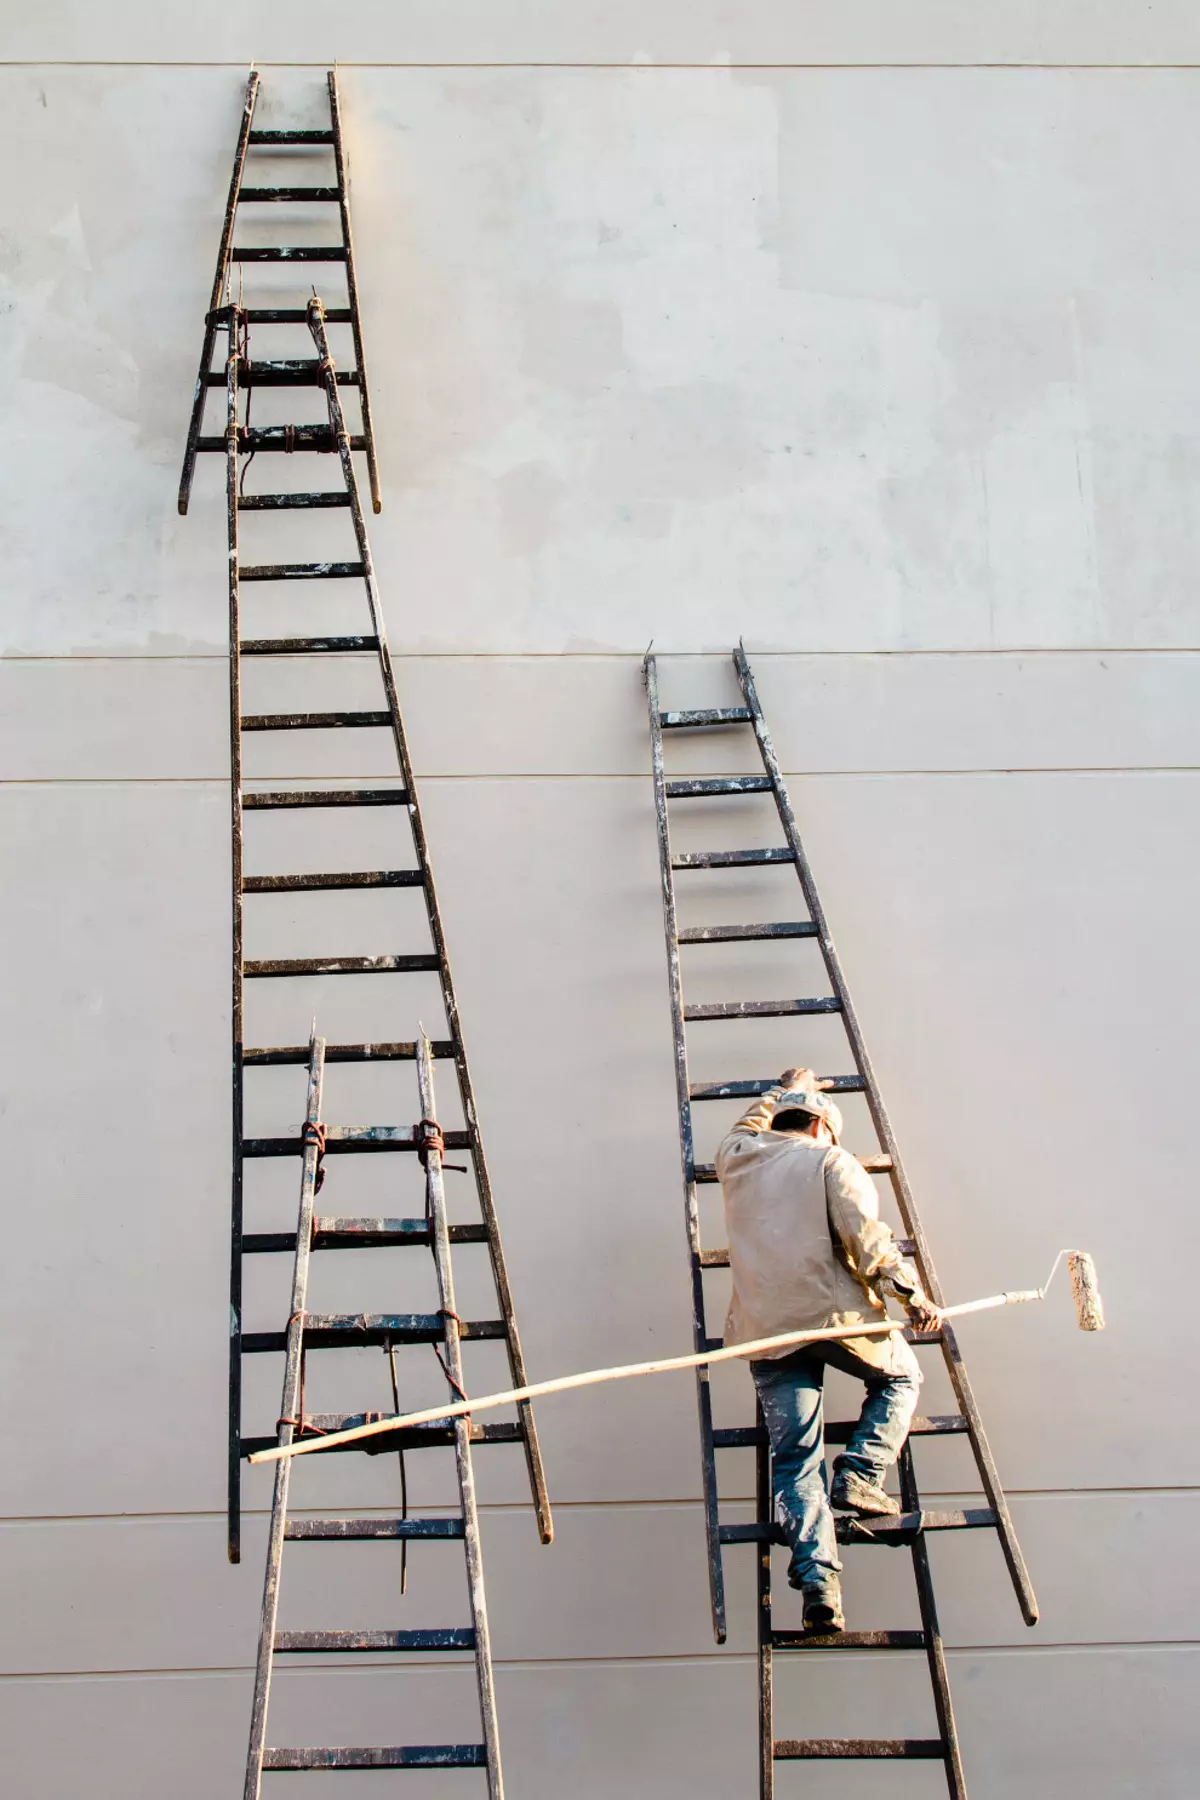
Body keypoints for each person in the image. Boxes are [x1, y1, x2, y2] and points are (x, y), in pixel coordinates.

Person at [715, 1067, 941, 1635]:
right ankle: (862, 1474)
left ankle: (818, 1579)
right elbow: (869, 1244)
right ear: (821, 1126)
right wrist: (912, 1297)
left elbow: (749, 1122)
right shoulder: (831, 1163)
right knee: (901, 1379)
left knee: (794, 1460)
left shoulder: (736, 1156)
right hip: (833, 1317)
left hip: (766, 1330)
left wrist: (780, 1087)